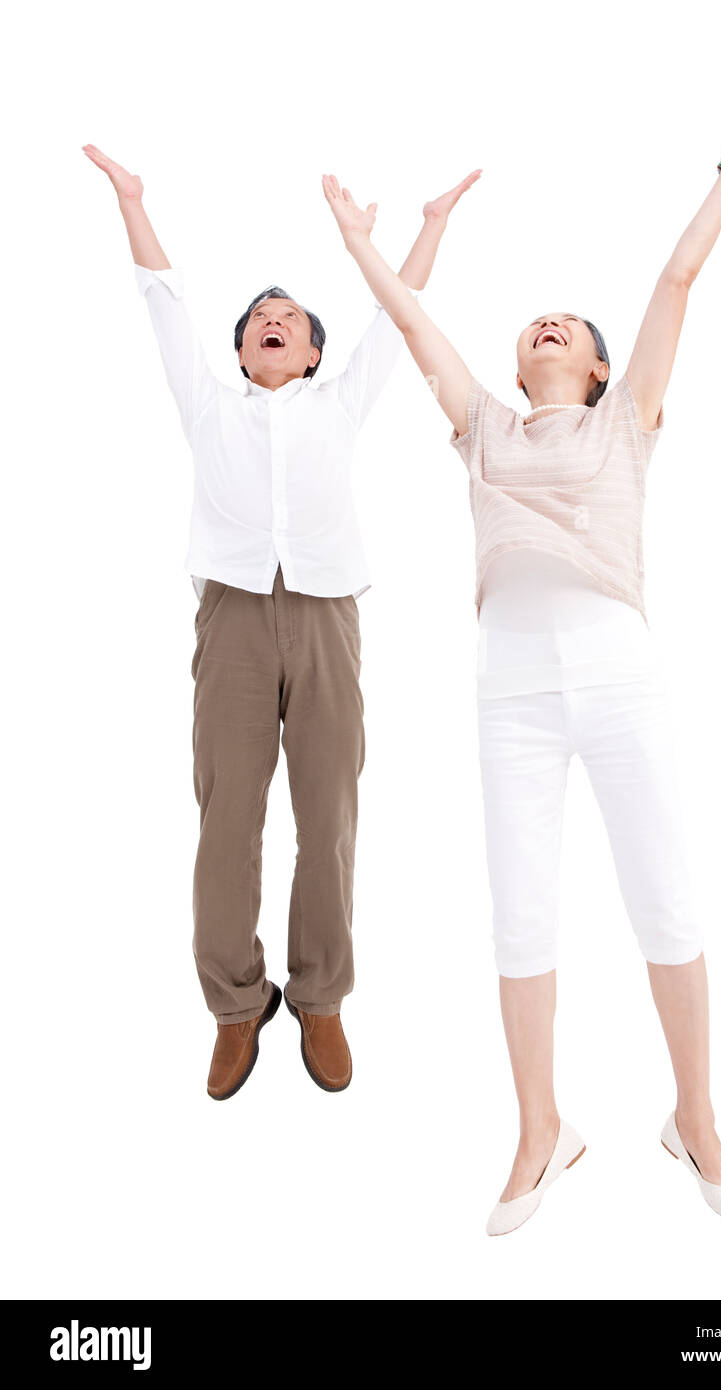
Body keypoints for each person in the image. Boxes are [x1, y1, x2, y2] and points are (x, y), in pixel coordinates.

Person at [322, 99, 721, 1232]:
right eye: (530, 321)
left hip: (620, 681)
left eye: (563, 326)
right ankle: (540, 1129)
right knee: (520, 918)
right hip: (513, 694)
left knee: (664, 902)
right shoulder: (480, 426)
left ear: (592, 366)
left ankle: (697, 1118)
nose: (543, 327)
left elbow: (676, 282)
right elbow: (413, 323)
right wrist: (358, 246)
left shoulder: (626, 420)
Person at [83, 142, 480, 1101]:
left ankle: (321, 995)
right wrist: (133, 201)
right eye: (259, 319)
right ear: (241, 351)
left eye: (289, 319)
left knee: (330, 814)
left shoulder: (340, 403)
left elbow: (399, 316)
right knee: (228, 819)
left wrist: (428, 228)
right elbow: (162, 299)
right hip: (231, 617)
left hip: (328, 614)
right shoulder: (208, 406)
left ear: (311, 352)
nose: (272, 321)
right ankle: (234, 1004)